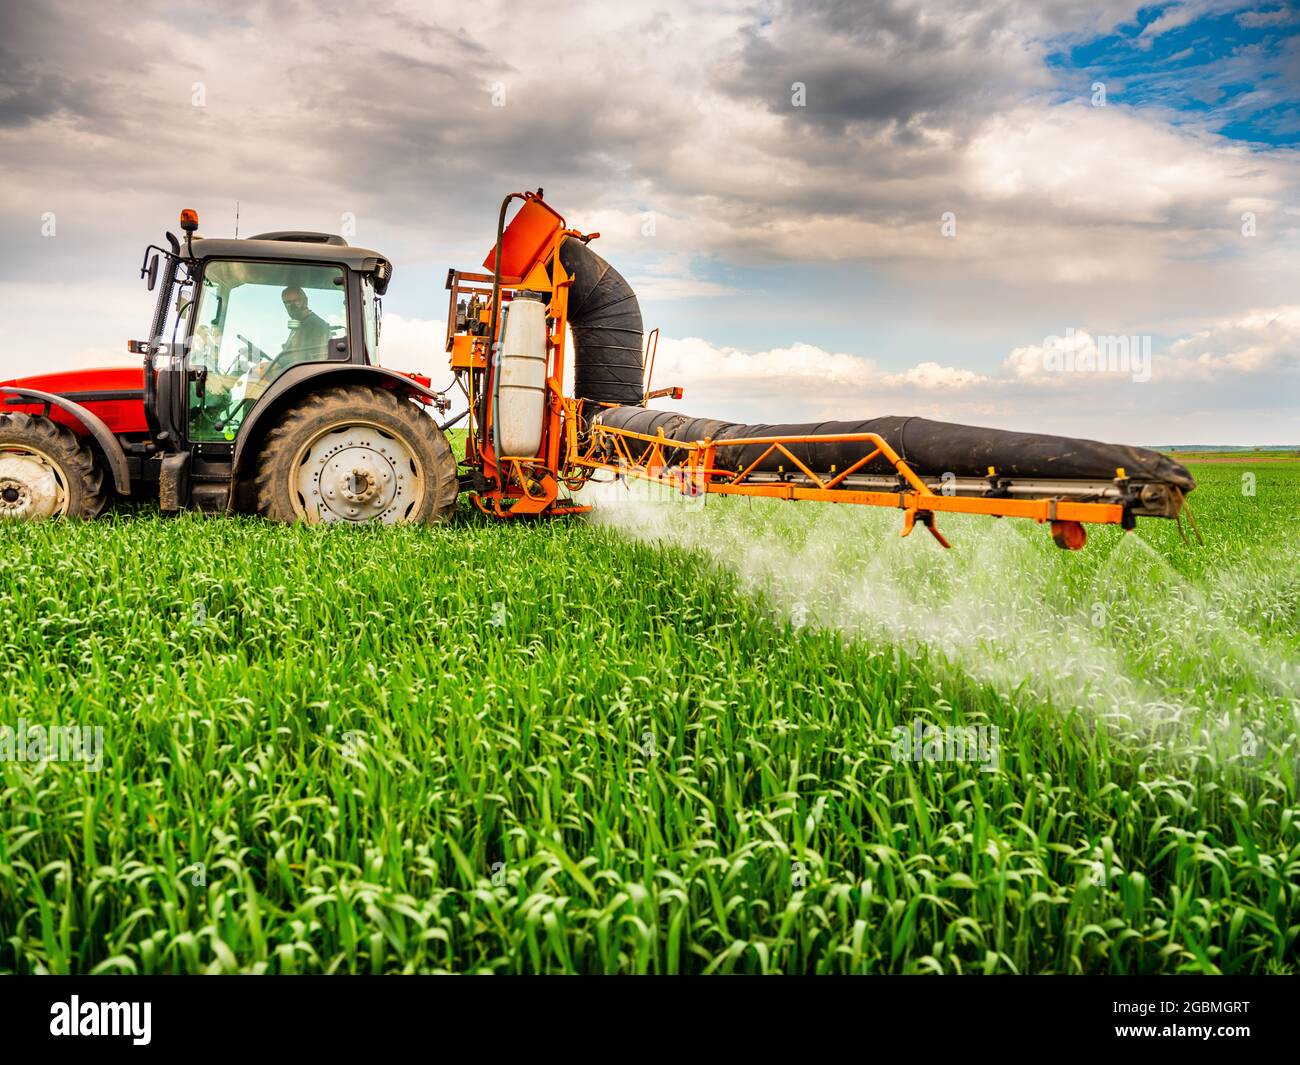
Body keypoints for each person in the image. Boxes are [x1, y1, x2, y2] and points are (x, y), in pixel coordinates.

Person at [278, 286, 331, 365]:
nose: (292, 306)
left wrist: (280, 360)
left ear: (305, 301)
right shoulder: (300, 323)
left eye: (297, 301)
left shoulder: (312, 324)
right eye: (288, 302)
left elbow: (303, 359)